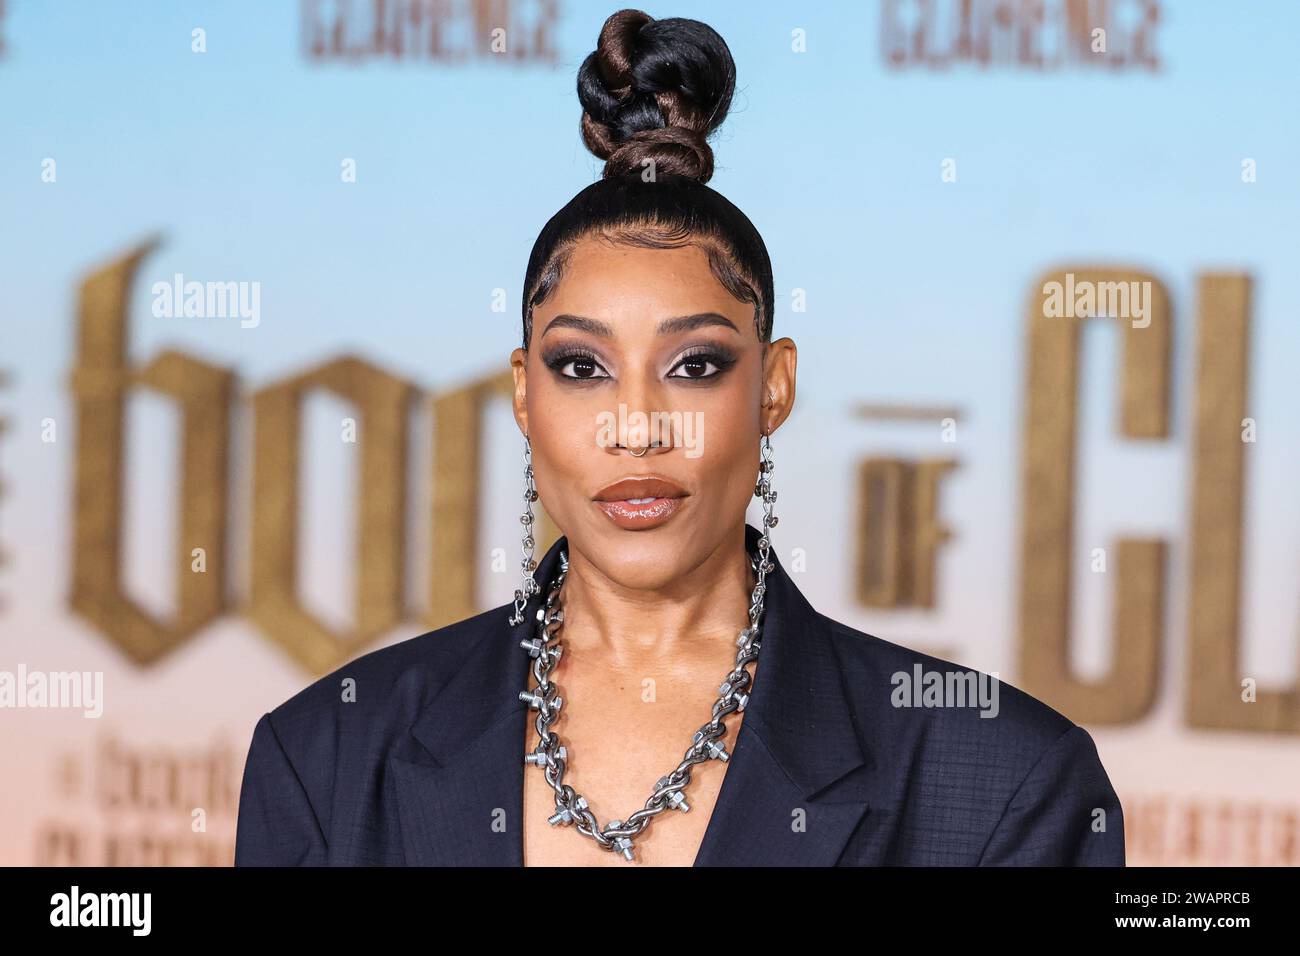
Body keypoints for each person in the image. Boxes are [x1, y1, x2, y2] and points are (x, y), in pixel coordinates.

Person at [234, 8, 1124, 867]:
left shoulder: (1002, 778)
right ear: (521, 392)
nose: (635, 426)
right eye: (581, 367)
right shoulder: (329, 757)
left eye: (694, 365)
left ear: (773, 388)